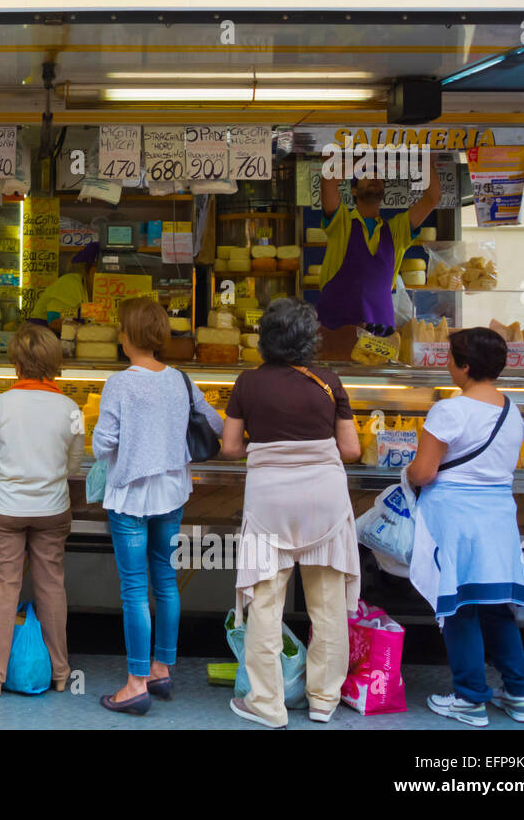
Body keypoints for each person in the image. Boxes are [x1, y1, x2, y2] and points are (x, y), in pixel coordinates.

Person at [220, 297, 361, 728]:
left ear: (265, 339)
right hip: (325, 500)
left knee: (265, 604)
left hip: (269, 503)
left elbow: (229, 447)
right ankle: (323, 700)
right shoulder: (329, 380)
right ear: (310, 339)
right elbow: (351, 449)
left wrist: (265, 452)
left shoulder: (246, 383)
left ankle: (267, 705)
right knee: (328, 605)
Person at [92, 298, 222, 715]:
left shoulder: (119, 383)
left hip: (131, 497)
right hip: (171, 494)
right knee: (165, 581)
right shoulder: (180, 379)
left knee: (134, 589)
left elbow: (102, 444)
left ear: (126, 336)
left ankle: (135, 684)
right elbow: (215, 425)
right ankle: (161, 668)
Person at [406, 327, 524, 727]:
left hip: (455, 519)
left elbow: (424, 473)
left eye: (449, 359)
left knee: (459, 608)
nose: (447, 365)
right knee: (497, 608)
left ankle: (470, 699)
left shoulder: (450, 410)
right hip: (498, 519)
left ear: (464, 366)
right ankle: (518, 693)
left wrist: (407, 468)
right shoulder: (513, 412)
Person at [0, 323, 82, 697]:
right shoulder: (70, 407)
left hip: (4, 508)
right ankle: (61, 671)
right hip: (52, 509)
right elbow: (73, 466)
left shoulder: (0, 403)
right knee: (52, 585)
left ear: (17, 363)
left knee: (5, 587)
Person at [315, 160, 439, 343]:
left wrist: (417, 160)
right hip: (335, 327)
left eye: (379, 177)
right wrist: (367, 160)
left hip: (380, 330)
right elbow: (328, 182)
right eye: (366, 175)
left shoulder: (398, 230)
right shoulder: (341, 223)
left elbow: (433, 197)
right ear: (353, 190)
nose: (374, 177)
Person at [32, 242, 98, 332]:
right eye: (100, 271)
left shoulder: (98, 295)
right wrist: (85, 330)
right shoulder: (70, 283)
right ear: (89, 270)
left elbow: (91, 319)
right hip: (41, 337)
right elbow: (54, 323)